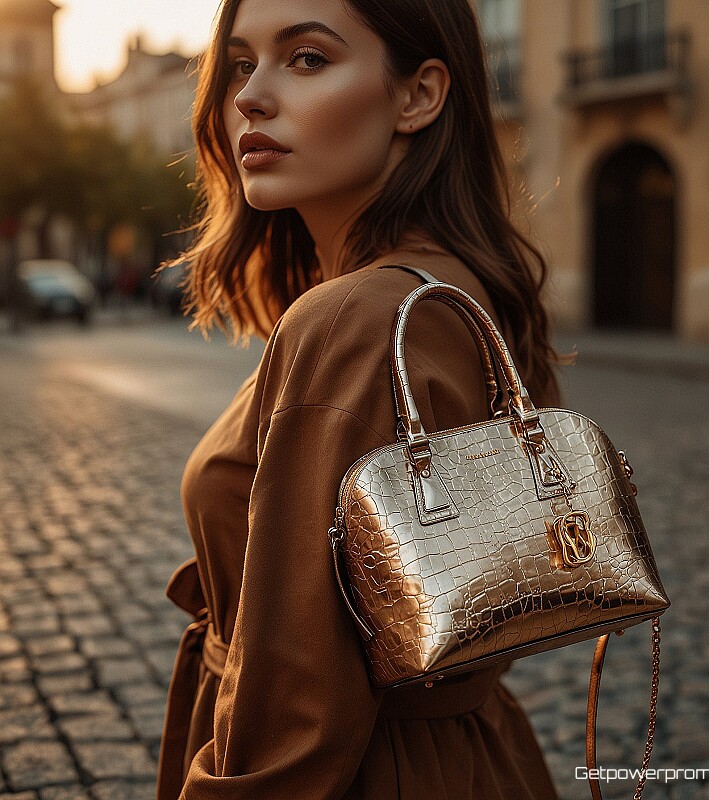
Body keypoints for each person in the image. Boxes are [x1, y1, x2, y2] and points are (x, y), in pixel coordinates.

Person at [156, 0, 563, 797]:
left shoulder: (358, 318)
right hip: (469, 758)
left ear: (418, 95)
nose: (249, 97)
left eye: (306, 58)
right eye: (242, 64)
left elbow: (292, 730)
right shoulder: (451, 288)